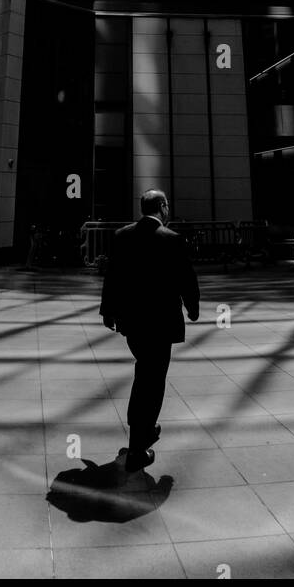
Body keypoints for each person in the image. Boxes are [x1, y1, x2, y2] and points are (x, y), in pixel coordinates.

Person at [100, 188, 200, 473]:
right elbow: (186, 279)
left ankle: (142, 431)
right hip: (161, 323)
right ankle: (138, 446)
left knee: (145, 372)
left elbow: (113, 276)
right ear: (163, 207)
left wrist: (108, 310)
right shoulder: (172, 239)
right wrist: (192, 308)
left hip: (132, 323)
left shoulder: (122, 236)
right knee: (152, 380)